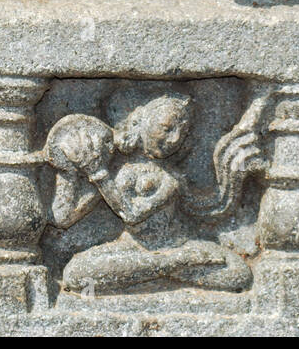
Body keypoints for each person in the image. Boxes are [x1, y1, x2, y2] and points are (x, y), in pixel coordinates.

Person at [46, 85, 251, 294]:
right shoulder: (113, 169)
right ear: (141, 121)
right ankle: (171, 265)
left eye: (183, 132)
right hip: (130, 249)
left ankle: (156, 266)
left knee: (238, 273)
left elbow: (132, 215)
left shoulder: (170, 179)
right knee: (74, 274)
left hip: (175, 245)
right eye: (167, 128)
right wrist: (69, 171)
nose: (175, 138)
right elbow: (62, 218)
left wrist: (97, 172)